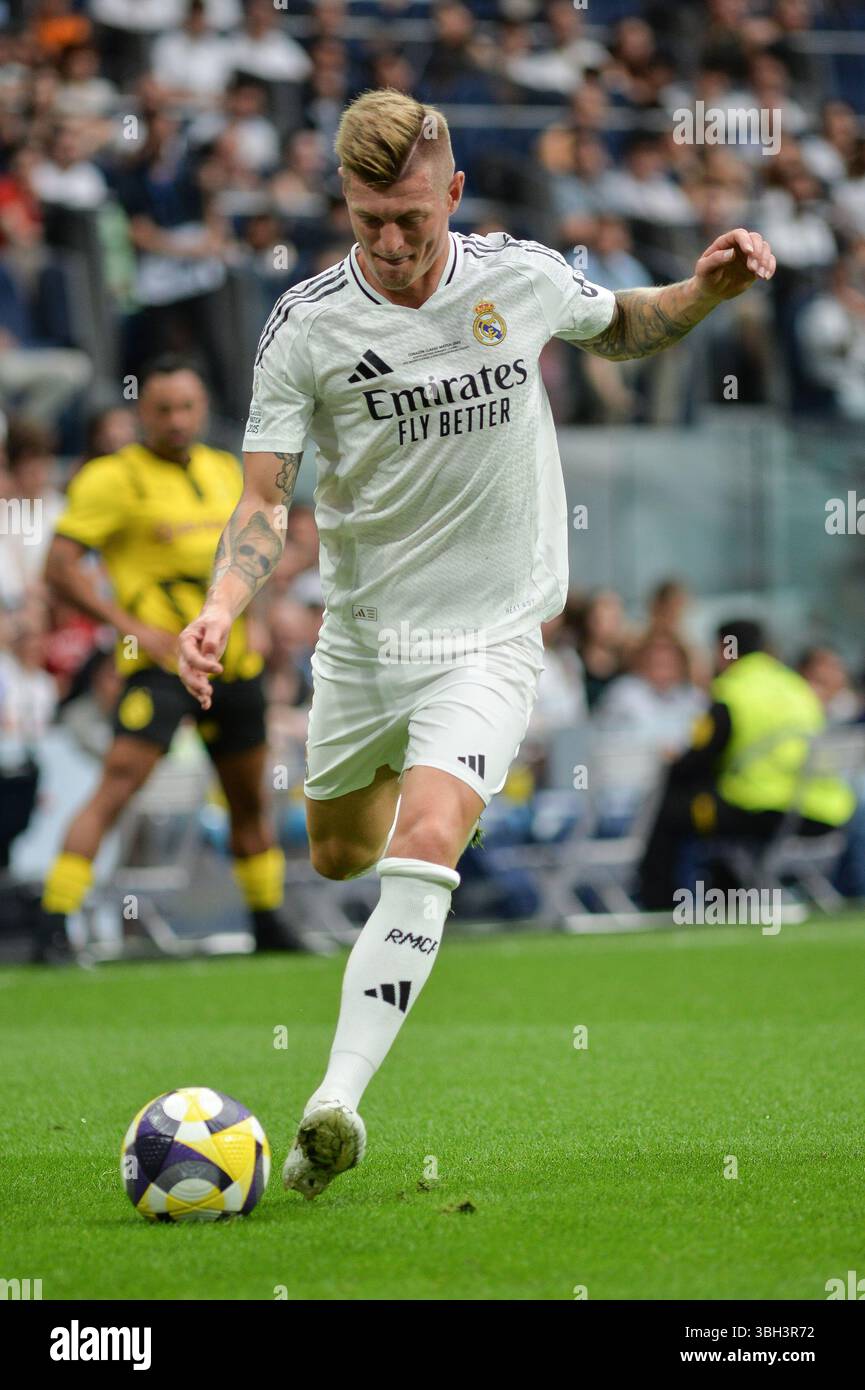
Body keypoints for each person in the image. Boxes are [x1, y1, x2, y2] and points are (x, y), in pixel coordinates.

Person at [176, 88, 777, 1201]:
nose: (394, 245)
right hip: (362, 641)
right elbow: (263, 502)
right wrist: (222, 605)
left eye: (411, 217)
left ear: (452, 193)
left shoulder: (521, 275)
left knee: (430, 840)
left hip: (493, 635)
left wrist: (706, 288)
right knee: (340, 856)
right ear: (343, 207)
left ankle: (333, 1104)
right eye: (369, 223)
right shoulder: (306, 326)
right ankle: (412, 783)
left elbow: (627, 324)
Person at [36, 355, 312, 962]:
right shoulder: (111, 479)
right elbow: (58, 567)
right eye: (162, 409)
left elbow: (253, 555)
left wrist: (260, 624)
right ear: (142, 411)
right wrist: (134, 630)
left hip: (235, 664)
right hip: (159, 667)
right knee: (117, 787)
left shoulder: (223, 471)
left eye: (187, 407)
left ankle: (266, 921)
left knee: (247, 799)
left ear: (203, 407)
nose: (177, 420)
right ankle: (55, 921)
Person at [638, 620, 856, 909]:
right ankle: (730, 897)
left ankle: (660, 904)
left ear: (723, 651)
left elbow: (698, 758)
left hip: (763, 809)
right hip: (823, 811)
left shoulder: (732, 690)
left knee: (673, 811)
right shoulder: (797, 687)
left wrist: (672, 761)